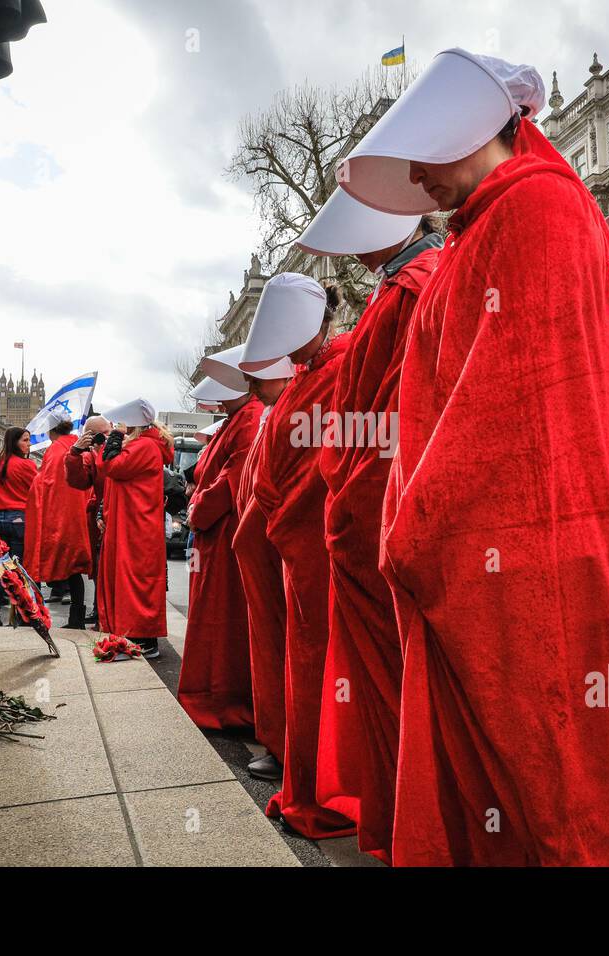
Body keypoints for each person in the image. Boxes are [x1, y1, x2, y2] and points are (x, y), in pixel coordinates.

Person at [338, 49, 609, 865]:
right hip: (486, 553)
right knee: (511, 789)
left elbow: (509, 410)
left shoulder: (538, 210)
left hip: (518, 560)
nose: (417, 177)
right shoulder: (484, 228)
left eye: (427, 149)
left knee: (556, 791)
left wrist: (414, 529)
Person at [293, 188, 442, 863]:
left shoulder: (415, 285)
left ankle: (415, 831)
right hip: (359, 513)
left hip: (376, 517)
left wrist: (351, 508)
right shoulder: (397, 285)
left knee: (403, 693)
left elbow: (398, 419)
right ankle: (396, 825)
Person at [238, 274, 355, 840]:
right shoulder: (311, 372)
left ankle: (320, 782)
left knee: (318, 661)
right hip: (291, 534)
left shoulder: (336, 367)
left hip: (312, 536)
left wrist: (282, 512)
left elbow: (326, 459)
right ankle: (303, 771)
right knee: (303, 658)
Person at [204, 346, 297, 780]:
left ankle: (291, 748)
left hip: (280, 544)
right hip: (261, 541)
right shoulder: (264, 412)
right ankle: (283, 742)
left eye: (258, 378)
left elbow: (245, 477)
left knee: (289, 647)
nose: (249, 388)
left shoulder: (280, 408)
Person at [177, 377, 262, 729]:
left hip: (225, 531)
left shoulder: (247, 418)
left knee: (223, 614)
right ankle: (213, 693)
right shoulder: (237, 418)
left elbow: (232, 478)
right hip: (217, 531)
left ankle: (223, 696)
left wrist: (197, 508)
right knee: (213, 613)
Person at [97, 399, 175, 659]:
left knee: (134, 581)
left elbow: (112, 467)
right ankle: (138, 636)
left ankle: (140, 639)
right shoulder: (148, 445)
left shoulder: (144, 446)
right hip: (135, 524)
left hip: (136, 526)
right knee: (136, 580)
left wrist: (115, 438)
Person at [23, 418, 94, 628]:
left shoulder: (55, 450)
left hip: (57, 517)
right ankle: (77, 618)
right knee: (73, 570)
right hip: (77, 516)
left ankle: (34, 615)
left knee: (37, 567)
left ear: (51, 432)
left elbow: (47, 485)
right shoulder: (75, 446)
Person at [0, 426, 38, 627]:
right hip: (20, 519)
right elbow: (38, 493)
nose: (29, 444)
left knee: (1, 569)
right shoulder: (27, 466)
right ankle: (24, 616)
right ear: (15, 442)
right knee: (19, 569)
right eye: (25, 440)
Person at [64, 414, 112, 628]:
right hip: (101, 519)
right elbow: (79, 481)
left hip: (114, 516)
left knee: (110, 569)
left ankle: (107, 616)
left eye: (105, 433)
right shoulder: (90, 455)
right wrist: (75, 452)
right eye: (95, 436)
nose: (102, 439)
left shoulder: (124, 446)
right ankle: (102, 614)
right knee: (101, 568)